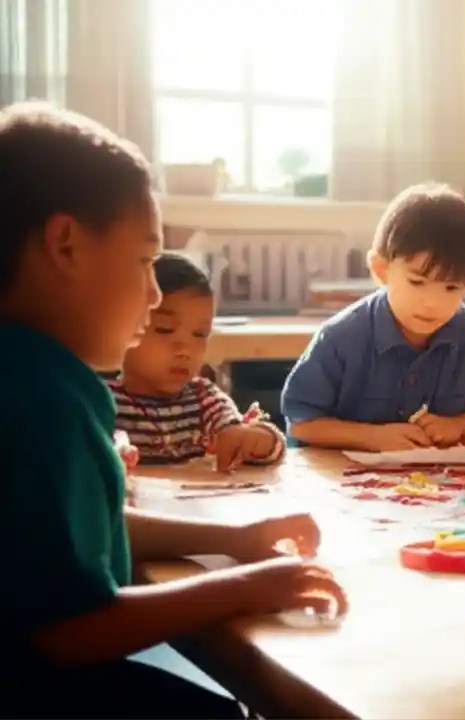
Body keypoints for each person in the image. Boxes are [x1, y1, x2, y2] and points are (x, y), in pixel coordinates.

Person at [0, 102, 346, 717]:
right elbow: (69, 630)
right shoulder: (48, 395)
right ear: (66, 244)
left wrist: (234, 539)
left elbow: (71, 531)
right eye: (142, 262)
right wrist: (243, 586)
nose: (154, 292)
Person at [282, 184, 465, 451]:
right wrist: (370, 437)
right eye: (417, 282)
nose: (432, 303)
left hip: (440, 485)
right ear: (381, 270)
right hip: (344, 483)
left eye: (452, 287)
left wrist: (458, 426)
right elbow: (302, 422)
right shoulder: (341, 338)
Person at [109, 254, 285, 471]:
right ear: (125, 328)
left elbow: (267, 447)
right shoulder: (104, 403)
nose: (185, 350)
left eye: (200, 334)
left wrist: (259, 439)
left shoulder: (204, 400)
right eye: (165, 329)